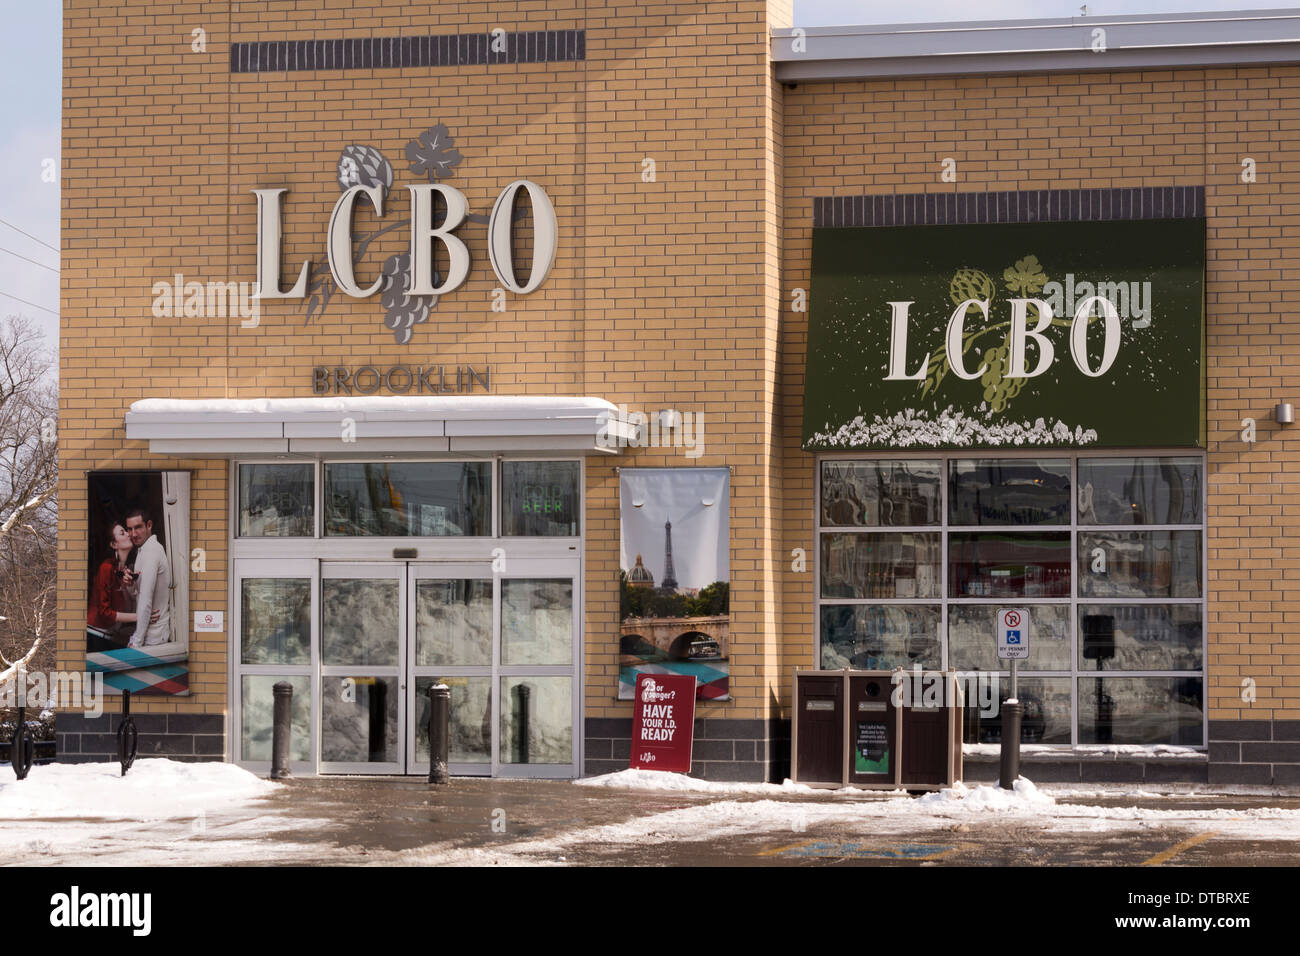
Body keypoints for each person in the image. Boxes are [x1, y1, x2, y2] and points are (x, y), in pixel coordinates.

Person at [86, 521, 157, 644]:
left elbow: (127, 610)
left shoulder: (122, 570)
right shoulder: (106, 568)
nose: (129, 534)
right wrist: (142, 616)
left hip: (109, 637)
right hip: (94, 636)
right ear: (114, 544)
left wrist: (127, 587)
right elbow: (105, 613)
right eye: (122, 533)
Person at [124, 507, 171, 648]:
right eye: (130, 529)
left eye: (138, 527)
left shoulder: (151, 551)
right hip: (147, 632)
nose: (133, 534)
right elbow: (137, 595)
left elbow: (145, 600)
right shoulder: (142, 550)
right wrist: (131, 583)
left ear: (149, 525)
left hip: (154, 635)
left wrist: (136, 642)